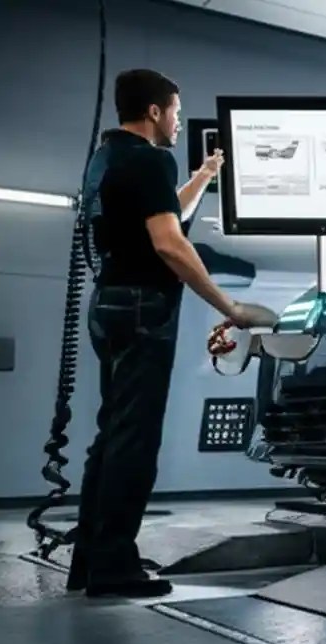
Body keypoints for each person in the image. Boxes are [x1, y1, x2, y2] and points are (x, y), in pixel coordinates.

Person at [67, 69, 273, 597]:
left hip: (108, 304)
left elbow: (164, 217)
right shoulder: (151, 157)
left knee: (112, 436)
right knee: (135, 442)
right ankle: (115, 566)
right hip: (142, 309)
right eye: (176, 111)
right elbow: (170, 244)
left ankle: (89, 561)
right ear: (155, 112)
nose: (179, 122)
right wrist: (231, 306)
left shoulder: (108, 157)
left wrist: (203, 174)